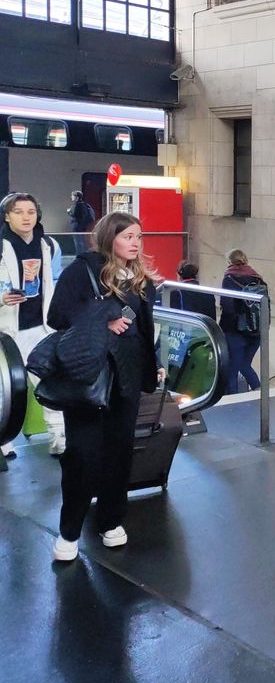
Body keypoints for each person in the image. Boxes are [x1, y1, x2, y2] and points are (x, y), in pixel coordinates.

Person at [48, 212, 163, 562]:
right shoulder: (81, 271)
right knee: (83, 455)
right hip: (87, 376)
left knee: (119, 453)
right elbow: (57, 316)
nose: (135, 242)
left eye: (139, 236)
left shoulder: (141, 280)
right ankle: (70, 530)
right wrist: (104, 318)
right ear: (109, 236)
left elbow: (145, 328)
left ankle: (111, 520)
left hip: (125, 378)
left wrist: (153, 365)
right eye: (128, 235)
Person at [0, 192, 65, 460]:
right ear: (6, 216)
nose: (26, 217)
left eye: (31, 211)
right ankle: (3, 442)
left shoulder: (48, 245)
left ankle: (59, 438)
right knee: (4, 389)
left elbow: (57, 281)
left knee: (52, 382)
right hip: (5, 331)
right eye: (18, 212)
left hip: (41, 328)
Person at [219, 250, 267, 395]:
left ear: (229, 262)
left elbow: (227, 306)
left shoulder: (229, 278)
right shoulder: (258, 278)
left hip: (235, 331)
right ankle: (261, 395)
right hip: (257, 331)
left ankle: (233, 403)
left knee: (232, 369)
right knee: (245, 365)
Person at [66, 190, 95, 255]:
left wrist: (69, 212)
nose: (71, 197)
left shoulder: (78, 205)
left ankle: (80, 256)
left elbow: (77, 216)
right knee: (82, 242)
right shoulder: (85, 205)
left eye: (72, 196)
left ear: (77, 197)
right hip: (83, 228)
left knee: (78, 243)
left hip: (77, 228)